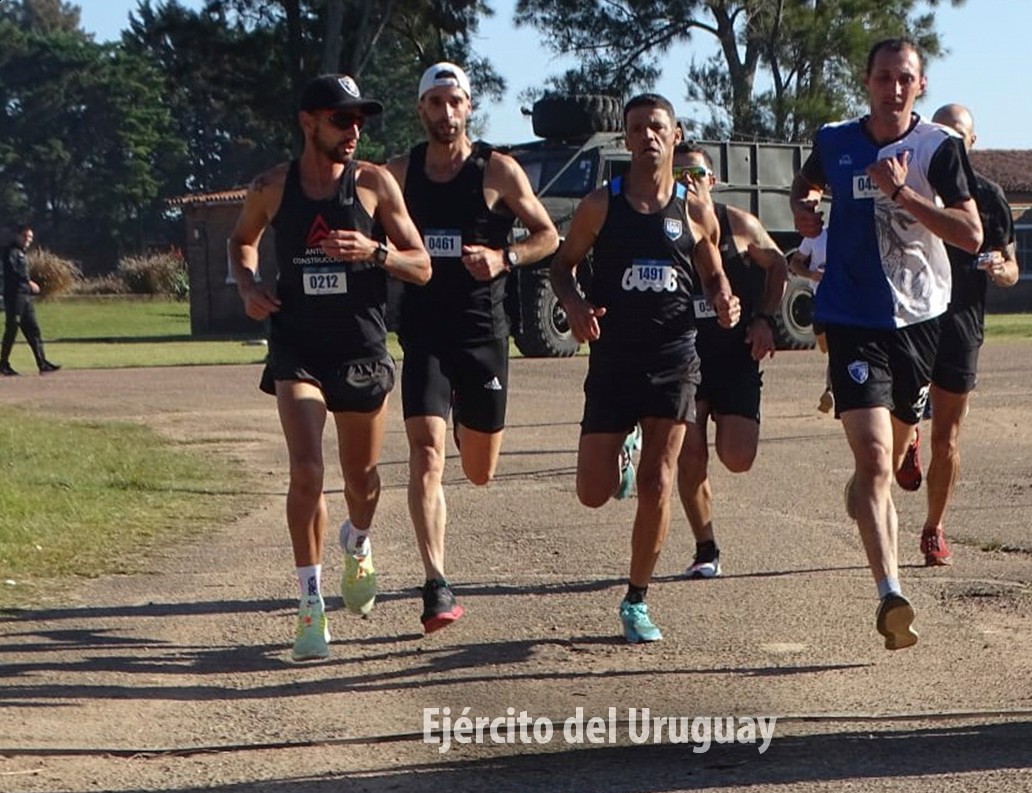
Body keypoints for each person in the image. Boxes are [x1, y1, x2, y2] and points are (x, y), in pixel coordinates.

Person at [228, 73, 431, 661]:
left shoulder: (374, 186)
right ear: (308, 122)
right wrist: (247, 286)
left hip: (361, 350)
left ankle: (357, 540)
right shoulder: (272, 186)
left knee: (362, 481)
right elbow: (242, 241)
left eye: (359, 119)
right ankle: (310, 606)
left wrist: (376, 252)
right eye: (341, 119)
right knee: (307, 469)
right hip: (297, 347)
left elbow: (422, 266)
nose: (353, 130)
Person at [790, 38, 983, 650]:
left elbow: (972, 235)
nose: (893, 89)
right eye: (882, 78)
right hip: (851, 317)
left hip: (920, 321)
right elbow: (805, 188)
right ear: (866, 82)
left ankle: (875, 475)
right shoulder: (834, 140)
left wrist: (902, 193)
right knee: (876, 460)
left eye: (904, 79)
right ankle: (890, 595)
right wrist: (805, 211)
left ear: (919, 86)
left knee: (894, 453)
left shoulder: (937, 150)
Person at [550, 94, 740, 642]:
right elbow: (562, 268)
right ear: (626, 139)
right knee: (591, 489)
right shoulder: (599, 205)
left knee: (660, 480)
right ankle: (622, 446)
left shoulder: (695, 211)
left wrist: (725, 299)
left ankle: (636, 599)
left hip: (674, 358)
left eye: (658, 127)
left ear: (675, 136)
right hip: (614, 359)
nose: (648, 136)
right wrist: (575, 304)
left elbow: (714, 275)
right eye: (638, 128)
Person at [385, 63, 558, 634]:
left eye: (453, 101)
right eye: (434, 102)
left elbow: (548, 236)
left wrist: (504, 258)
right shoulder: (399, 174)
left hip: (483, 334)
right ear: (421, 110)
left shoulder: (498, 170)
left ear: (468, 107)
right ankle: (436, 583)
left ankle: (466, 418)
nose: (445, 112)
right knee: (426, 455)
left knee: (480, 471)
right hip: (425, 335)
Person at [670, 143, 787, 579]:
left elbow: (778, 266)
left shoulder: (738, 224)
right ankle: (706, 548)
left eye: (694, 175)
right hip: (684, 358)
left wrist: (764, 319)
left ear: (712, 180)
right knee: (691, 454)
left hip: (735, 357)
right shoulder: (664, 228)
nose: (687, 183)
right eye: (677, 175)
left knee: (737, 457)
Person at [911, 103, 1019, 567]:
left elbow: (1013, 268)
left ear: (972, 143)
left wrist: (1000, 268)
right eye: (943, 133)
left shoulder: (990, 197)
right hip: (912, 319)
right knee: (898, 427)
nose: (951, 142)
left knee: (948, 438)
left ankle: (934, 528)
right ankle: (905, 443)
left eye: (960, 135)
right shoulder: (914, 189)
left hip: (961, 324)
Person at [1, 224, 59, 376]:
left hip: (25, 296)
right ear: (18, 236)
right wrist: (28, 282)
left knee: (33, 329)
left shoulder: (21, 253)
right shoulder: (11, 252)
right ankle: (3, 364)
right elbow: (13, 272)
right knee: (12, 328)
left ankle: (42, 363)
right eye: (25, 236)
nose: (28, 240)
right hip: (15, 296)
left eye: (30, 237)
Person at [788, 230, 832, 413]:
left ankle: (830, 389)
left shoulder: (850, 232)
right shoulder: (816, 235)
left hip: (843, 298)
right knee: (825, 346)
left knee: (838, 347)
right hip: (820, 297)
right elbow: (795, 263)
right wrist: (811, 274)